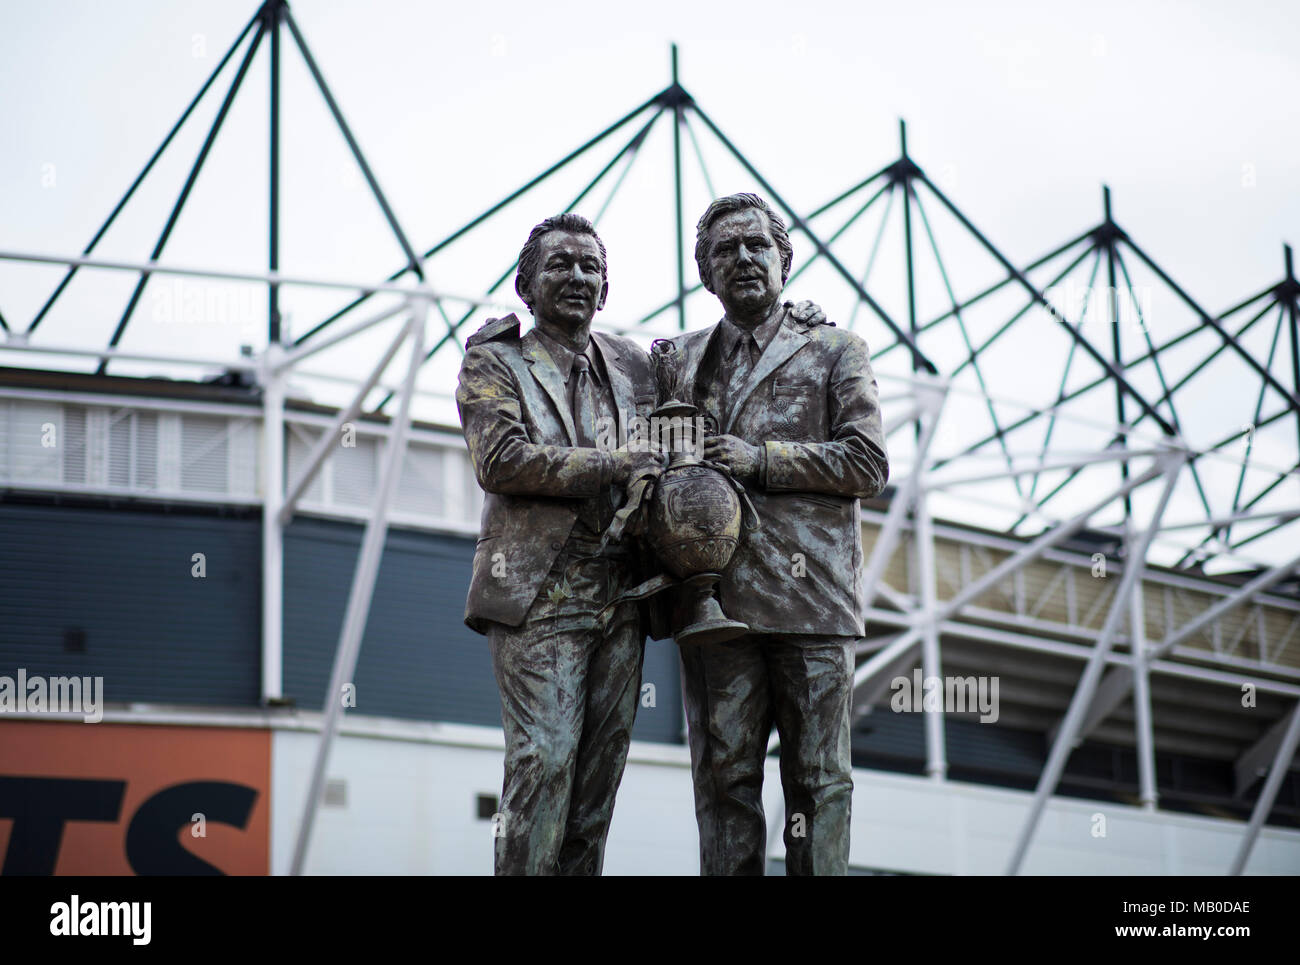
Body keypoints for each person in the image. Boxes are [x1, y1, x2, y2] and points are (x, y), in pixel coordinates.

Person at [663, 192, 890, 875]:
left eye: (757, 245)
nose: (743, 259)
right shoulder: (676, 359)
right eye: (724, 250)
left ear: (785, 260)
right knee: (722, 786)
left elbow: (868, 462)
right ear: (705, 273)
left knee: (819, 785)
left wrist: (763, 459)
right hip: (715, 608)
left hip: (810, 603)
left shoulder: (834, 349)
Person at [455, 213, 662, 875]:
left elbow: (711, 360)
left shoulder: (635, 364)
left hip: (621, 592)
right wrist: (613, 464)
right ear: (526, 284)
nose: (576, 276)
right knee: (542, 761)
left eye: (589, 267)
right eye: (559, 264)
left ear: (605, 290)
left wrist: (792, 311)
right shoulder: (497, 358)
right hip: (540, 587)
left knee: (596, 786)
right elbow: (503, 459)